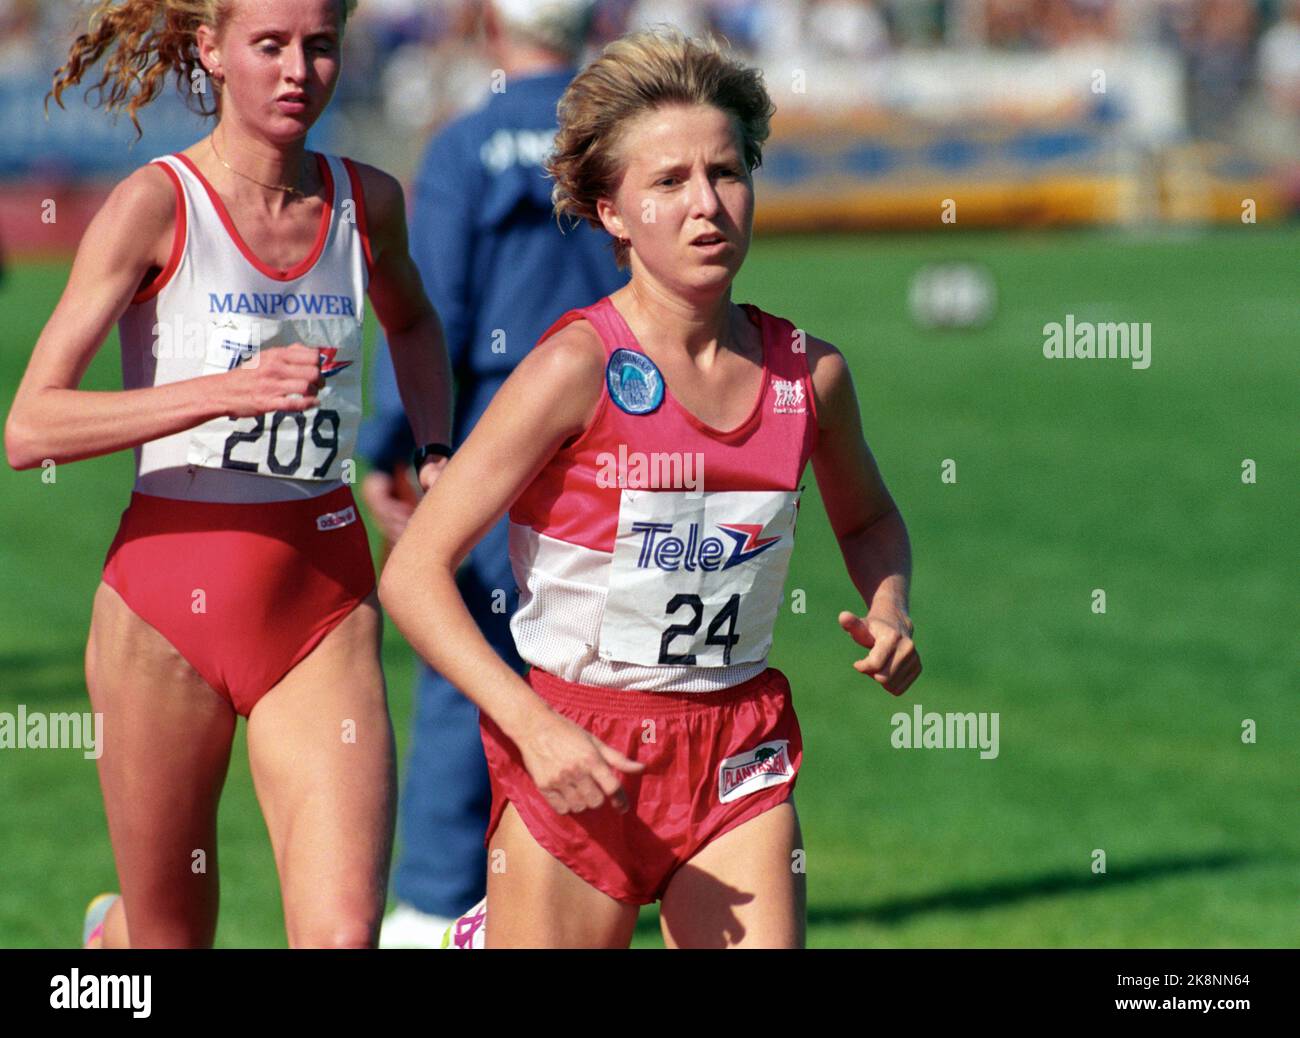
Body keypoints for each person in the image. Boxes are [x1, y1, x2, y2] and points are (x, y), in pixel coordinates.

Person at [380, 27, 920, 949]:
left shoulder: (810, 377)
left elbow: (868, 516)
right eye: (668, 182)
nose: (707, 204)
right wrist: (530, 727)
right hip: (579, 749)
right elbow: (413, 573)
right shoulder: (571, 369)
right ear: (612, 213)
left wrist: (892, 606)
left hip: (736, 751)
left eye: (727, 172)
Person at [6, 0, 452, 948]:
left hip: (321, 601)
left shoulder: (366, 203)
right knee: (170, 943)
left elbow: (412, 320)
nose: (299, 72)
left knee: (342, 936)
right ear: (211, 50)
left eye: (321, 47)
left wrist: (436, 450)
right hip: (165, 611)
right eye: (271, 46)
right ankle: (114, 935)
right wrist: (224, 391)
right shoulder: (155, 205)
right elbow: (30, 427)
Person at [358, 0, 627, 947]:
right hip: (624, 450)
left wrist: (396, 441)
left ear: (487, 26)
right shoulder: (625, 141)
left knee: (468, 670)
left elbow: (431, 306)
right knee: (609, 674)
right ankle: (606, 882)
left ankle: (433, 906)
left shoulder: (469, 143)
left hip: (495, 448)